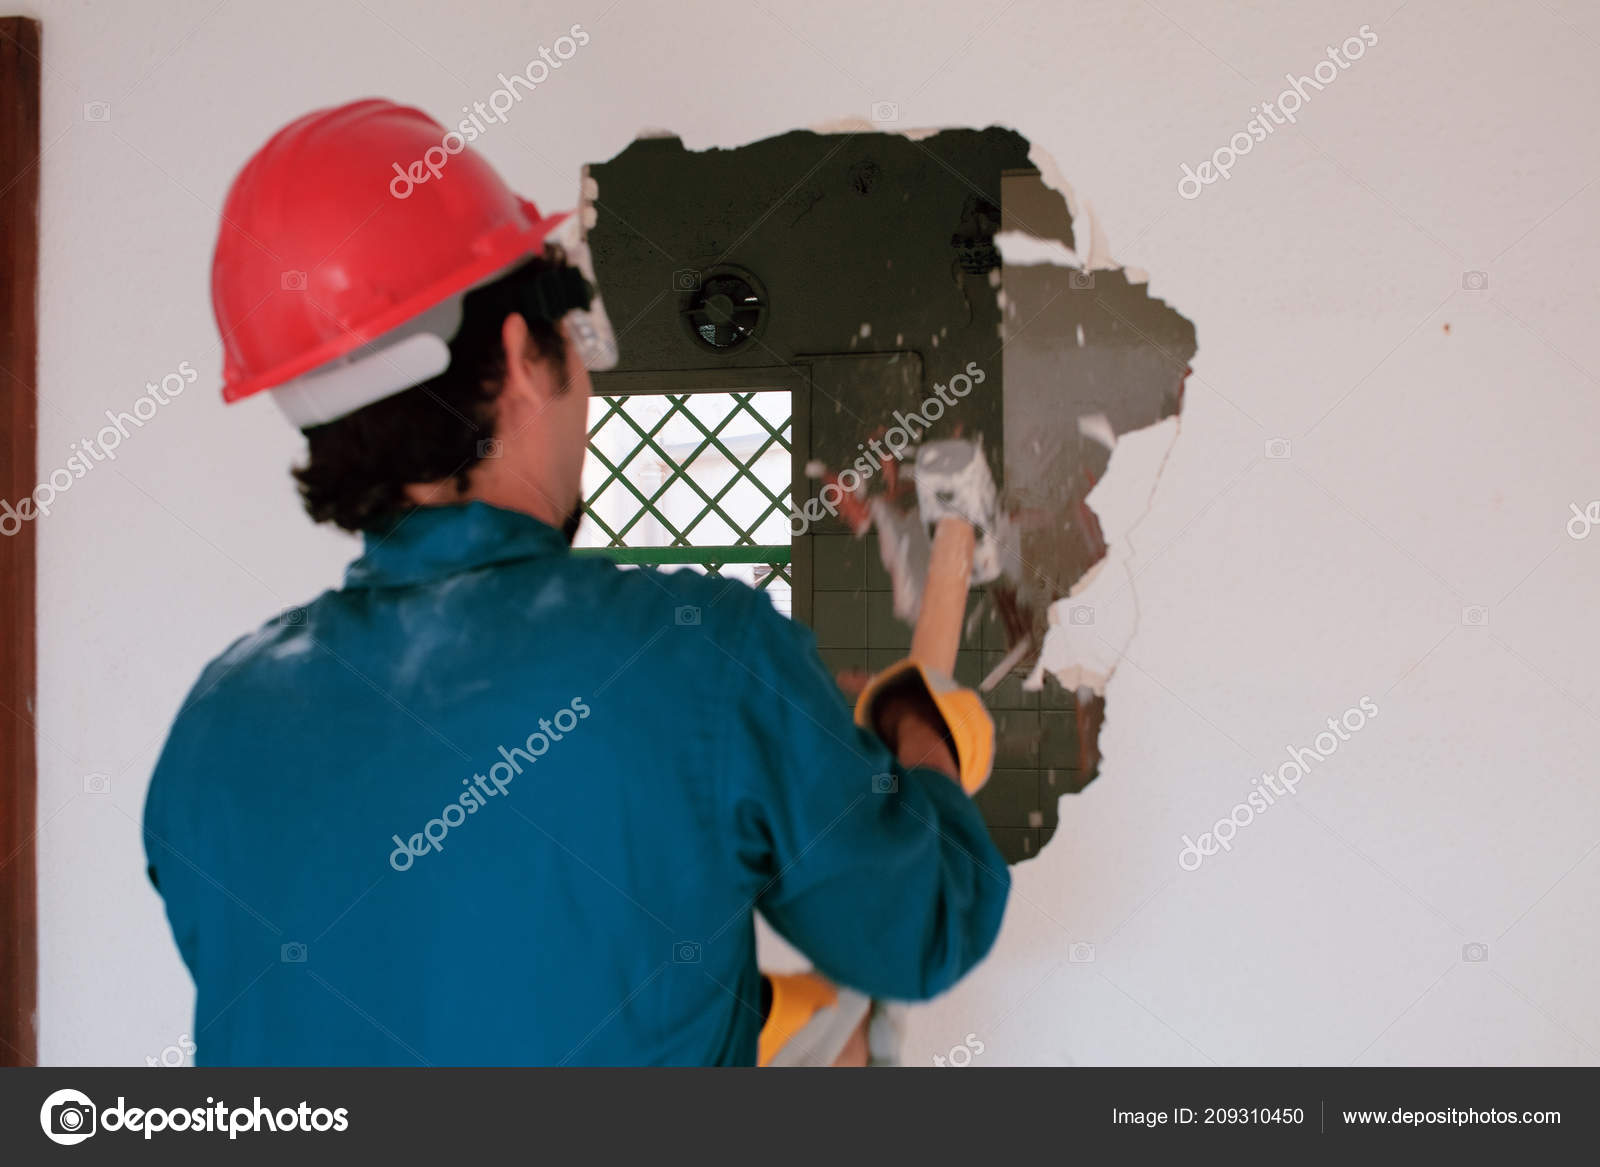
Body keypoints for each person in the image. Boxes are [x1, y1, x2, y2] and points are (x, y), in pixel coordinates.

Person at [143, 99, 1009, 1066]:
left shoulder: (216, 725)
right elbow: (920, 924)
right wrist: (919, 735)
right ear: (522, 355)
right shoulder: (700, 655)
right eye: (581, 347)